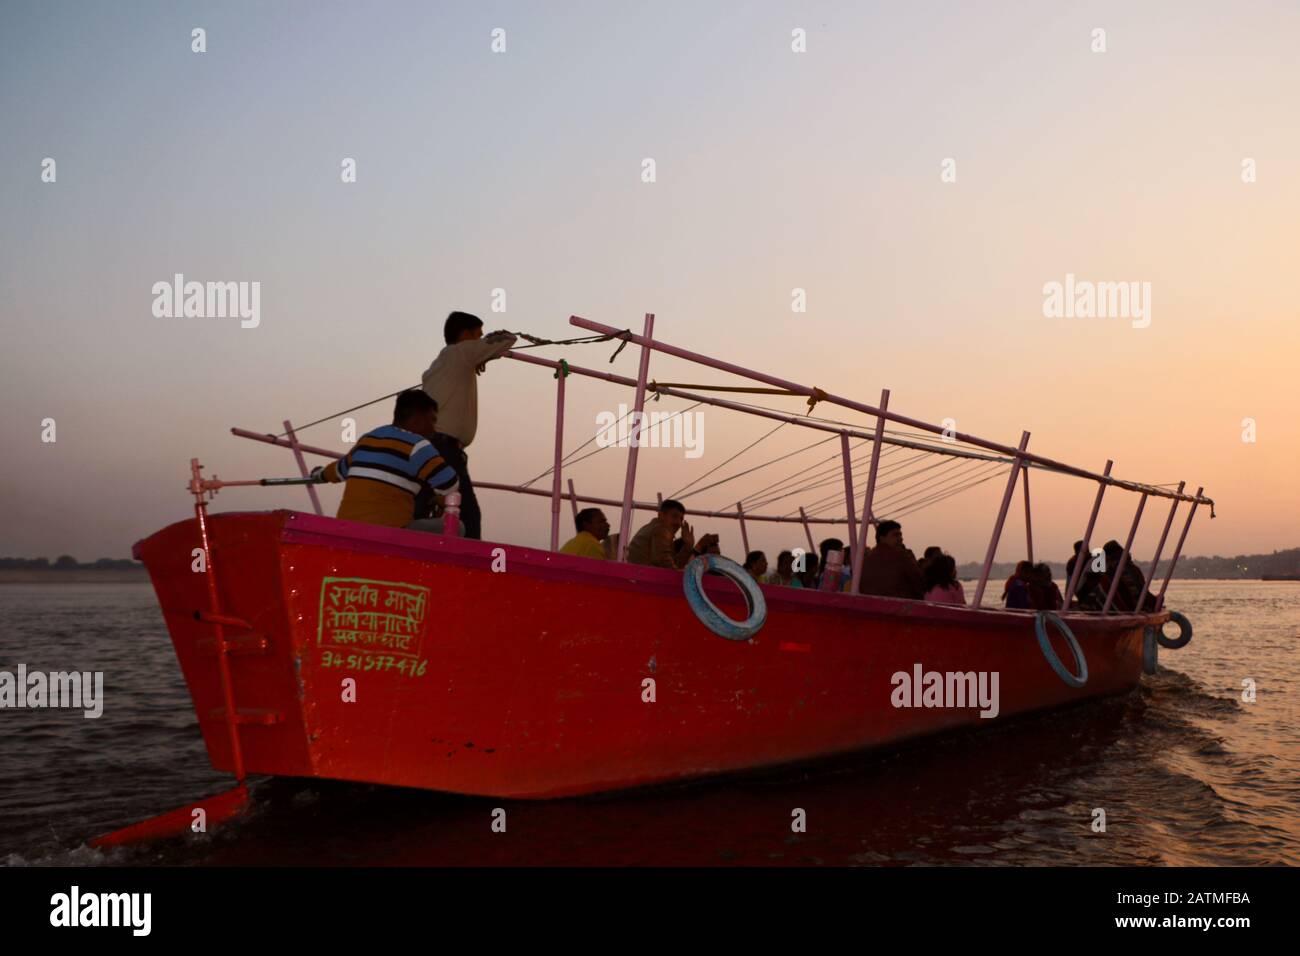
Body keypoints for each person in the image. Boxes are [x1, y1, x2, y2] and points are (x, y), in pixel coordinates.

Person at [420, 311, 517, 540]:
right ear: (465, 335)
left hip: (432, 447)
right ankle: (473, 565)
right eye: (478, 335)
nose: (481, 340)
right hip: (445, 447)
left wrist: (479, 358)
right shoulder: (461, 352)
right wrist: (488, 345)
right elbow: (508, 339)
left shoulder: (443, 362)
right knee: (469, 514)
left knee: (425, 503)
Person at [312, 390, 459, 531]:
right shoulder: (418, 445)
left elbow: (338, 470)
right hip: (389, 533)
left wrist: (318, 474)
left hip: (345, 527)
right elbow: (450, 484)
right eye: (432, 420)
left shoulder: (368, 439)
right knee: (458, 527)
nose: (434, 429)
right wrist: (437, 500)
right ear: (417, 418)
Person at [626, 499, 714, 569]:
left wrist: (688, 546)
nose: (678, 523)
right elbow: (666, 566)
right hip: (642, 582)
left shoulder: (653, 528)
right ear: (661, 515)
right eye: (674, 516)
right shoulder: (660, 529)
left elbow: (672, 565)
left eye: (681, 519)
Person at [857, 520, 924, 599]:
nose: (901, 539)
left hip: (869, 606)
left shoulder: (864, 560)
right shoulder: (901, 557)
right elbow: (919, 583)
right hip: (899, 607)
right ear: (882, 538)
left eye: (900, 535)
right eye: (896, 535)